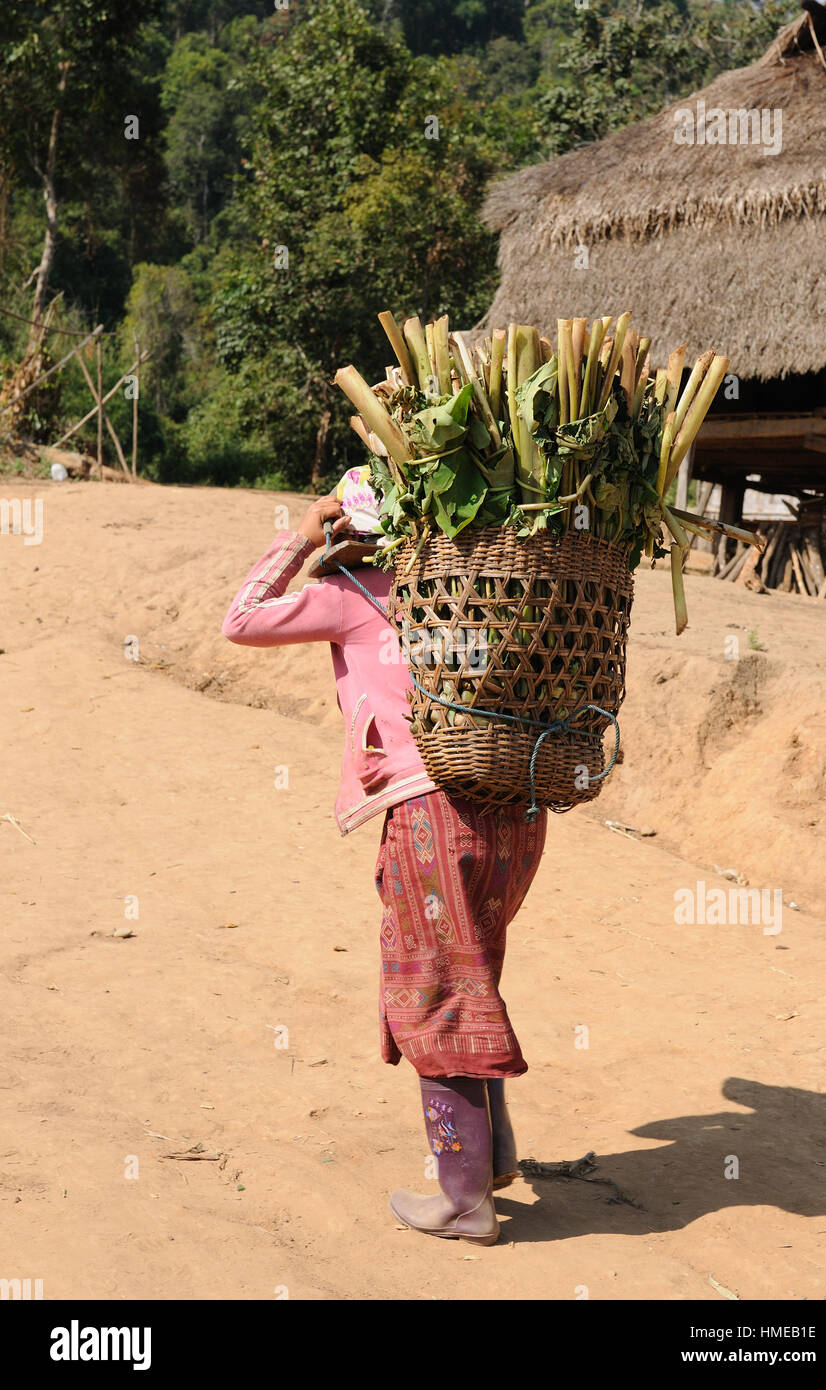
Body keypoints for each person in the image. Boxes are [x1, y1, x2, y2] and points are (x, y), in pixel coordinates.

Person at [221, 475, 548, 1246]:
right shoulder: (476, 587)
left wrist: (299, 536)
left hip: (430, 809)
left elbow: (240, 620)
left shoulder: (350, 593)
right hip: (514, 809)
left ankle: (464, 1201)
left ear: (351, 531)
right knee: (471, 968)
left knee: (430, 986)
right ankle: (492, 1154)